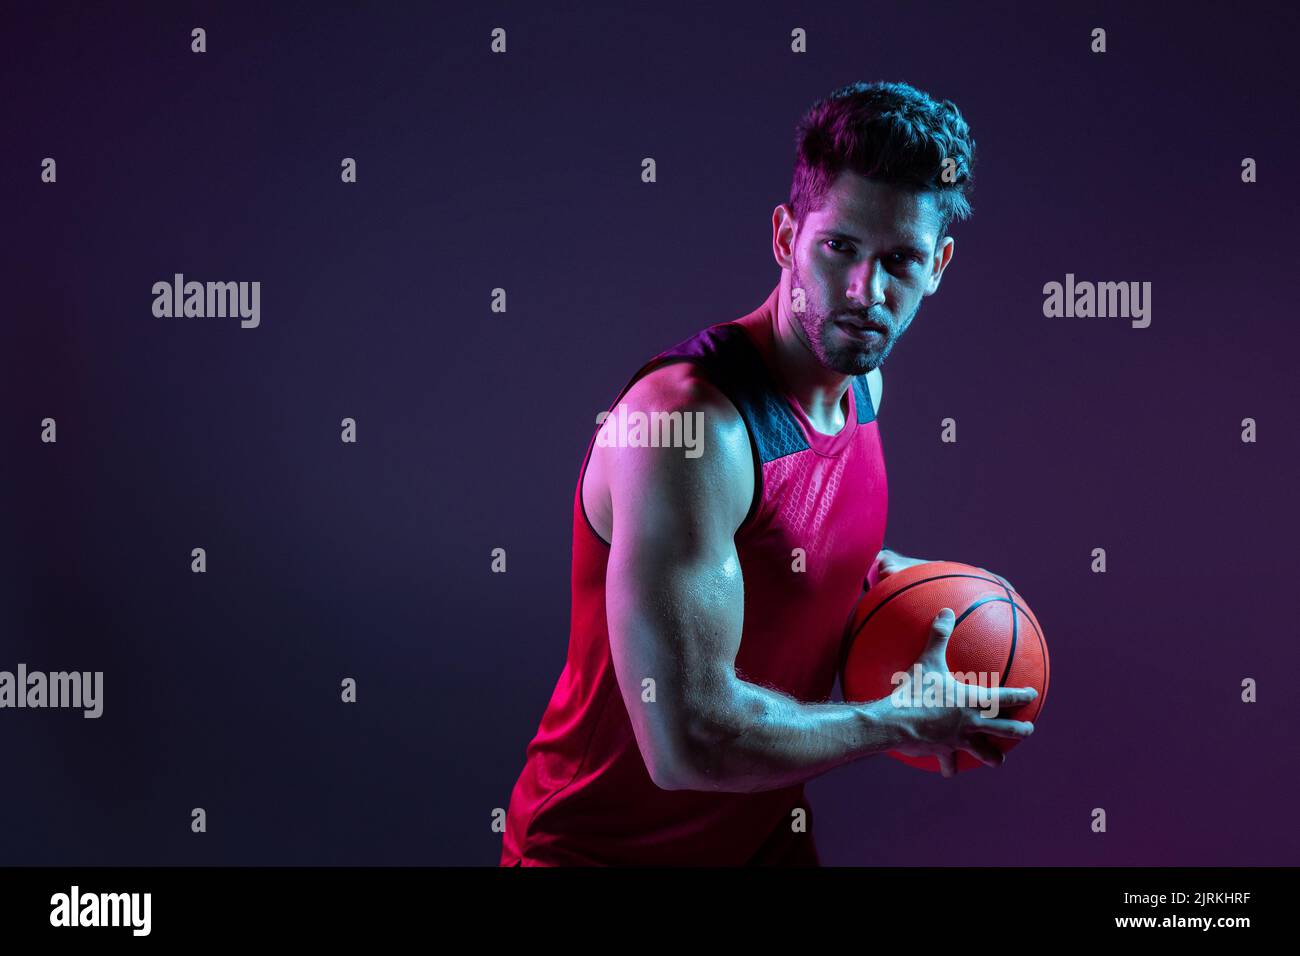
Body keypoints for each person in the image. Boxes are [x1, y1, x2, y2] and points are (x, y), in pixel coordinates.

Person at [501, 80, 1037, 867]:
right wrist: (900, 720)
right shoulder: (688, 430)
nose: (864, 292)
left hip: (755, 837)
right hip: (597, 854)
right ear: (787, 236)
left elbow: (784, 555)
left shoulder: (861, 383)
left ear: (939, 267)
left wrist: (884, 589)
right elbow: (688, 741)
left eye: (899, 261)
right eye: (840, 248)